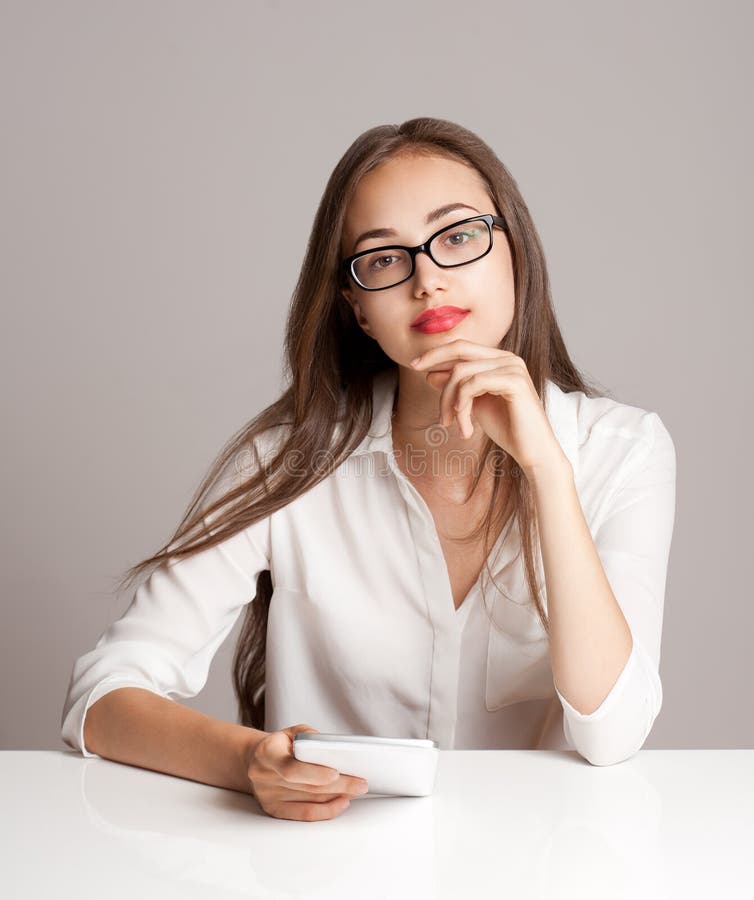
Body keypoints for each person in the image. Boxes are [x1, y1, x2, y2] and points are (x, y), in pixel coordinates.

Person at [61, 117, 676, 822]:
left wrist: (546, 468)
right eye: (384, 259)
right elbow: (101, 697)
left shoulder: (625, 450)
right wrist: (247, 762)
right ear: (356, 307)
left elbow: (614, 731)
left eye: (457, 237)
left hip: (533, 867)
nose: (428, 280)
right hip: (323, 864)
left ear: (516, 252)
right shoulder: (287, 462)